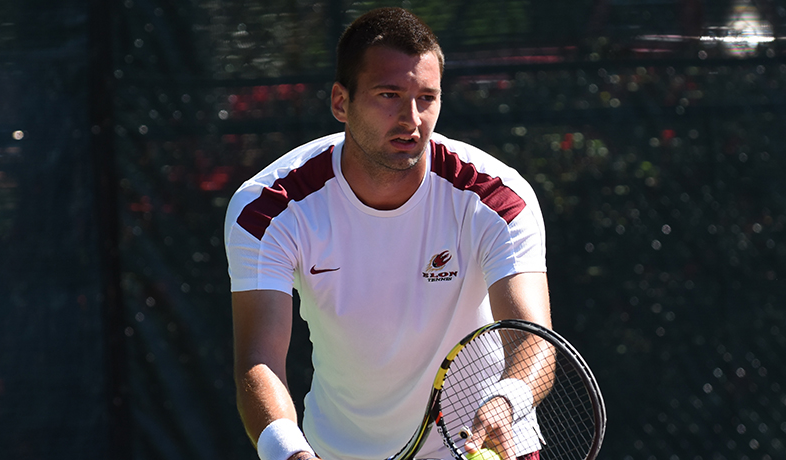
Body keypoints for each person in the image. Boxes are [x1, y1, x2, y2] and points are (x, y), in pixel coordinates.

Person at [225, 7, 550, 460]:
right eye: (389, 95)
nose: (411, 119)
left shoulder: (496, 198)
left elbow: (533, 338)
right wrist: (292, 453)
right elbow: (258, 360)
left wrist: (508, 400)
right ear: (341, 102)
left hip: (488, 444)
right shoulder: (267, 209)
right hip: (337, 451)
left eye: (426, 98)